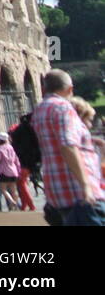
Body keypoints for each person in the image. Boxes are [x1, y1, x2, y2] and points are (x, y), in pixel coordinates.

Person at [32, 69, 103, 226]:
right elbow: (68, 145)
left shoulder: (39, 110)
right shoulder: (63, 107)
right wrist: (86, 186)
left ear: (44, 89)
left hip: (56, 189)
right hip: (78, 190)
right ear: (70, 89)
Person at [0, 131, 22, 212]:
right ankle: (15, 204)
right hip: (13, 171)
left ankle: (12, 202)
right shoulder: (11, 147)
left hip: (3, 171)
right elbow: (16, 159)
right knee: (14, 190)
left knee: (3, 189)